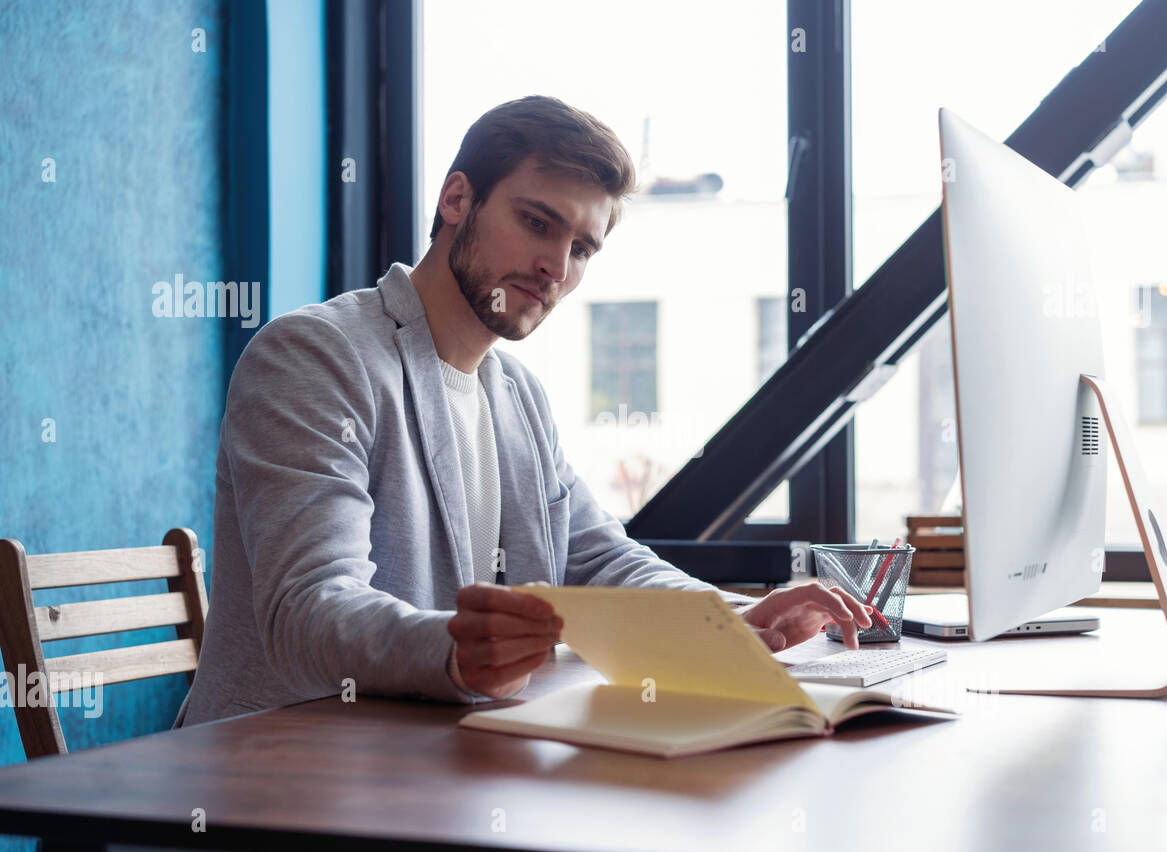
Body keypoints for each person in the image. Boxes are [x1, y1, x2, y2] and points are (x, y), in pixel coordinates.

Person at [174, 95, 871, 727]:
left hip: (439, 765)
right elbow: (309, 610)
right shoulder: (315, 356)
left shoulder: (517, 396)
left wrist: (730, 621)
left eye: (582, 249)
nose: (555, 267)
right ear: (456, 200)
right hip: (274, 777)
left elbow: (602, 559)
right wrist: (455, 652)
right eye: (538, 222)